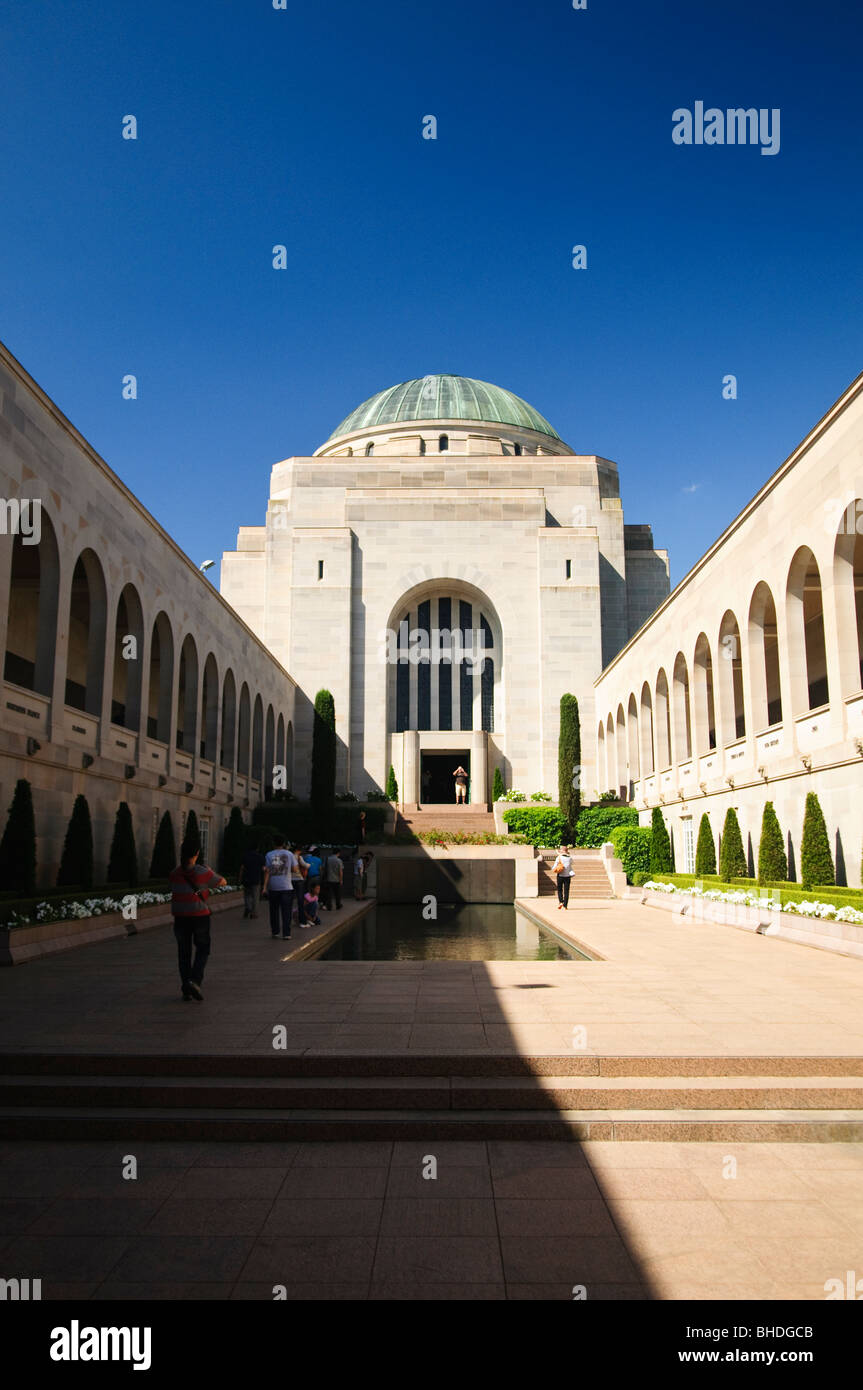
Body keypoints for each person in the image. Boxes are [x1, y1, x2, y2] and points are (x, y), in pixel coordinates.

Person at [169, 839, 226, 1001]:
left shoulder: (174, 873)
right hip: (199, 916)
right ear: (197, 854)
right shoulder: (202, 871)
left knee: (183, 952)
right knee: (203, 949)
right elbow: (222, 882)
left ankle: (186, 987)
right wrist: (211, 872)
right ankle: (194, 981)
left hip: (179, 917)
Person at [262, 836, 296, 940]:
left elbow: (267, 871)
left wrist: (264, 887)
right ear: (284, 843)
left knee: (274, 911)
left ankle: (275, 932)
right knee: (286, 911)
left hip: (273, 886)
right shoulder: (290, 854)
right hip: (286, 886)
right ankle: (286, 934)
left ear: (273, 843)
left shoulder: (269, 854)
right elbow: (294, 869)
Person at [240, 841, 265, 919]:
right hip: (256, 879)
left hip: (246, 878)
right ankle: (254, 913)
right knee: (255, 897)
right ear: (257, 848)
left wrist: (240, 877)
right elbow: (263, 868)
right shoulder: (260, 856)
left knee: (247, 895)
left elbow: (242, 868)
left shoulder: (245, 855)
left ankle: (248, 907)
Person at [289, 843, 308, 927]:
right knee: (300, 901)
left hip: (290, 880)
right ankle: (302, 921)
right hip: (299, 880)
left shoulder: (289, 856)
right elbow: (306, 865)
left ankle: (288, 919)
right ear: (299, 850)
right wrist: (309, 864)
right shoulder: (299, 857)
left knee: (290, 900)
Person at [551, 844, 574, 910]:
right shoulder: (570, 858)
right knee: (566, 891)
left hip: (560, 875)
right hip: (567, 876)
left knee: (559, 889)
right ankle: (565, 905)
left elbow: (554, 867)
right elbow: (572, 864)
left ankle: (561, 901)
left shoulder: (559, 858)